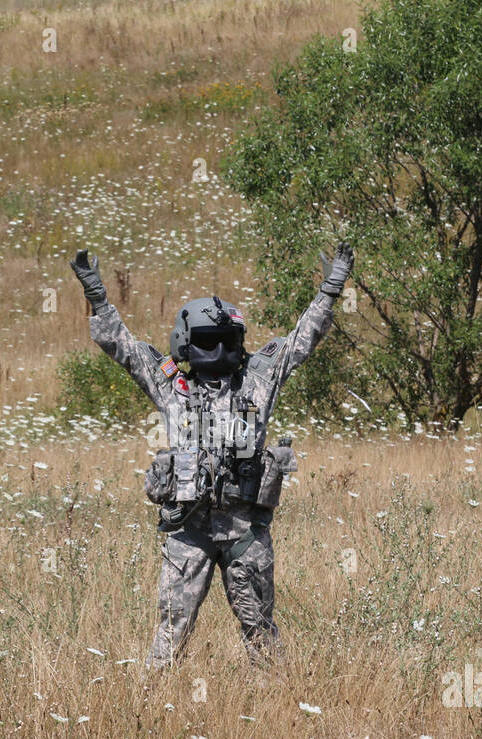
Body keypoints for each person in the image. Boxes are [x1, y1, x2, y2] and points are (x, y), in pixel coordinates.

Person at [70, 243, 354, 669]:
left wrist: (331, 288)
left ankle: (274, 713)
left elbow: (302, 339)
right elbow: (123, 347)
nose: (217, 351)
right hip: (189, 533)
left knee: (259, 630)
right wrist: (96, 295)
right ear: (187, 343)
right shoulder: (171, 385)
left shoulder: (259, 379)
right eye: (208, 341)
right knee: (171, 629)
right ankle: (151, 709)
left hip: (245, 532)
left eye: (224, 341)